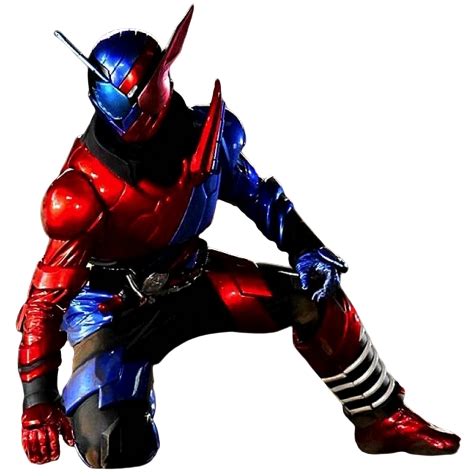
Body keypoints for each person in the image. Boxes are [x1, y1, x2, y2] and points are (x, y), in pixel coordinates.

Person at [17, 6, 459, 468]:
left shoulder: (204, 139)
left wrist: (306, 248)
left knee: (318, 299)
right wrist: (37, 400)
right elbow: (44, 303)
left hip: (191, 278)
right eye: (145, 97)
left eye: (159, 85)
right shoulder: (79, 195)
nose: (159, 104)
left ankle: (380, 419)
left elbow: (259, 197)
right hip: (112, 309)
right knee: (115, 443)